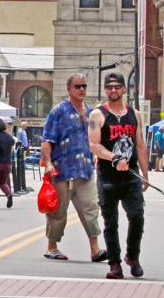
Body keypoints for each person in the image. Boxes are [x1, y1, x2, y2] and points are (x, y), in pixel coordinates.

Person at [88, 72, 150, 279]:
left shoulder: (135, 114)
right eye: (109, 87)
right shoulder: (96, 115)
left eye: (117, 87)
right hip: (108, 176)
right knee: (110, 221)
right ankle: (114, 263)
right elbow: (93, 145)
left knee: (137, 216)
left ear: (124, 89)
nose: (113, 90)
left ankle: (133, 256)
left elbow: (140, 145)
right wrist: (114, 157)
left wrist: (145, 174)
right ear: (105, 90)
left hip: (131, 174)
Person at [41, 73, 106, 263]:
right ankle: (51, 247)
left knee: (91, 209)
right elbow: (47, 141)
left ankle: (95, 249)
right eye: (77, 86)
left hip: (85, 170)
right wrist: (48, 164)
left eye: (84, 86)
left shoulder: (92, 112)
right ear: (69, 89)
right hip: (62, 171)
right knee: (58, 211)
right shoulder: (58, 111)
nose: (81, 90)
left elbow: (97, 137)